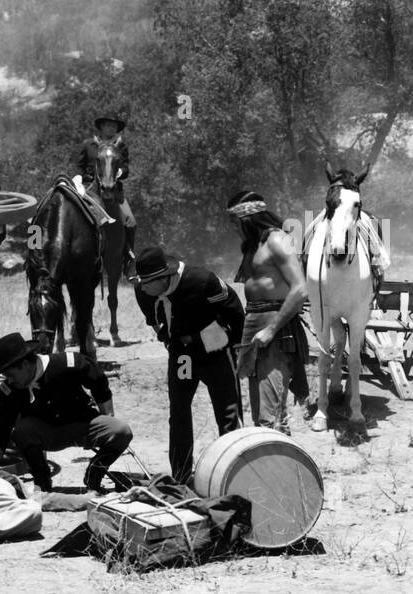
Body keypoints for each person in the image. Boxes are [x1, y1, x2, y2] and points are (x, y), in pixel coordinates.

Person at [130, 244, 244, 484]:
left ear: (164, 277)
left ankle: (233, 474)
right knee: (179, 411)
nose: (143, 287)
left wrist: (231, 344)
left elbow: (234, 309)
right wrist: (169, 339)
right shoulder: (143, 292)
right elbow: (155, 320)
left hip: (214, 352)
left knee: (228, 412)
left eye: (148, 282)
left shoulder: (202, 281)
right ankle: (181, 477)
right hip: (182, 355)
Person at [0, 332, 134, 494]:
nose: (9, 380)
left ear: (24, 365)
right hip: (48, 434)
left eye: (10, 374)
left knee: (121, 431)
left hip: (83, 425)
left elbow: (98, 379)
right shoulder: (11, 390)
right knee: (23, 429)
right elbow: (1, 428)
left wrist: (107, 416)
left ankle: (95, 473)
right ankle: (42, 483)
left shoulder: (68, 364)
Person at [227, 190, 309, 434]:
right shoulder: (253, 245)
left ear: (246, 218)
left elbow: (300, 289)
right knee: (262, 413)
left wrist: (271, 329)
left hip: (275, 329)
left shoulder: (276, 240)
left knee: (270, 417)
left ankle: (283, 467)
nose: (231, 227)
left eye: (234, 221)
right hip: (255, 324)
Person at [75, 112, 137, 270]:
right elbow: (79, 165)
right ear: (101, 127)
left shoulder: (121, 146)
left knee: (130, 221)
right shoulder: (89, 144)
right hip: (89, 187)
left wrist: (120, 173)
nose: (112, 128)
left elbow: (126, 167)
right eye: (109, 125)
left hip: (114, 189)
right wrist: (77, 178)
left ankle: (128, 256)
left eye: (114, 127)